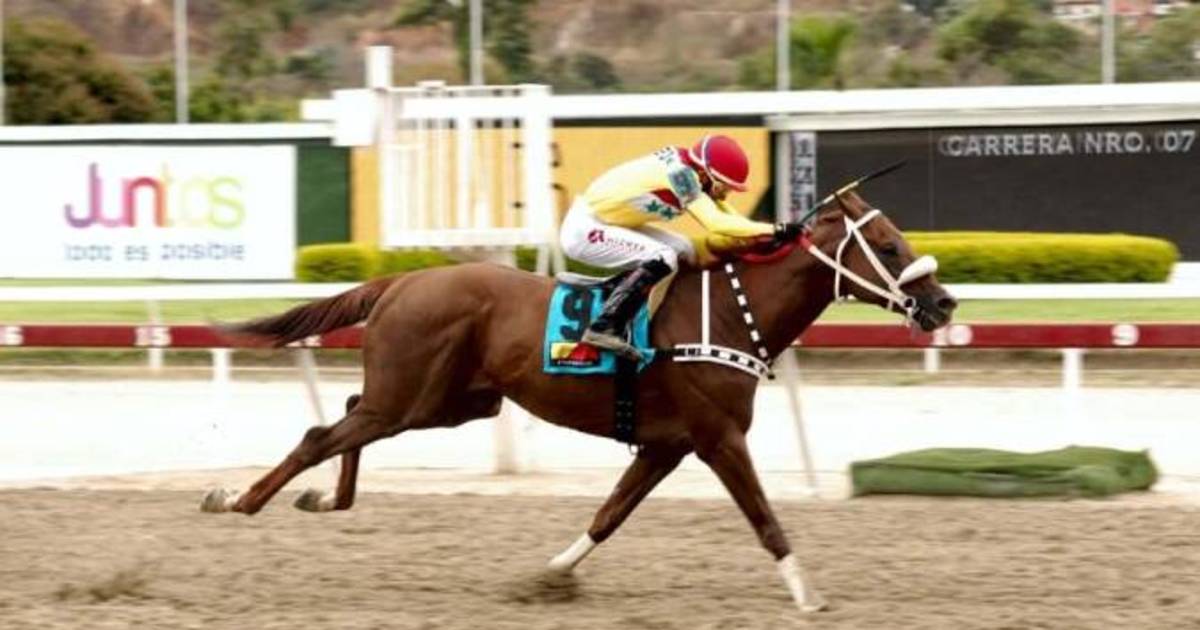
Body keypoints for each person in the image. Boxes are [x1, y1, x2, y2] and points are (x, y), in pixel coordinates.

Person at [559, 134, 800, 360]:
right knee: (663, 256)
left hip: (607, 222)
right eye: (724, 187)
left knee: (684, 248)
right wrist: (774, 229)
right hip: (585, 230)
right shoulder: (681, 176)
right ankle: (603, 327)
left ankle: (669, 315)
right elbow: (716, 223)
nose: (725, 194)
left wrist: (763, 233)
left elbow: (729, 218)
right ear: (705, 175)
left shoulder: (691, 170)